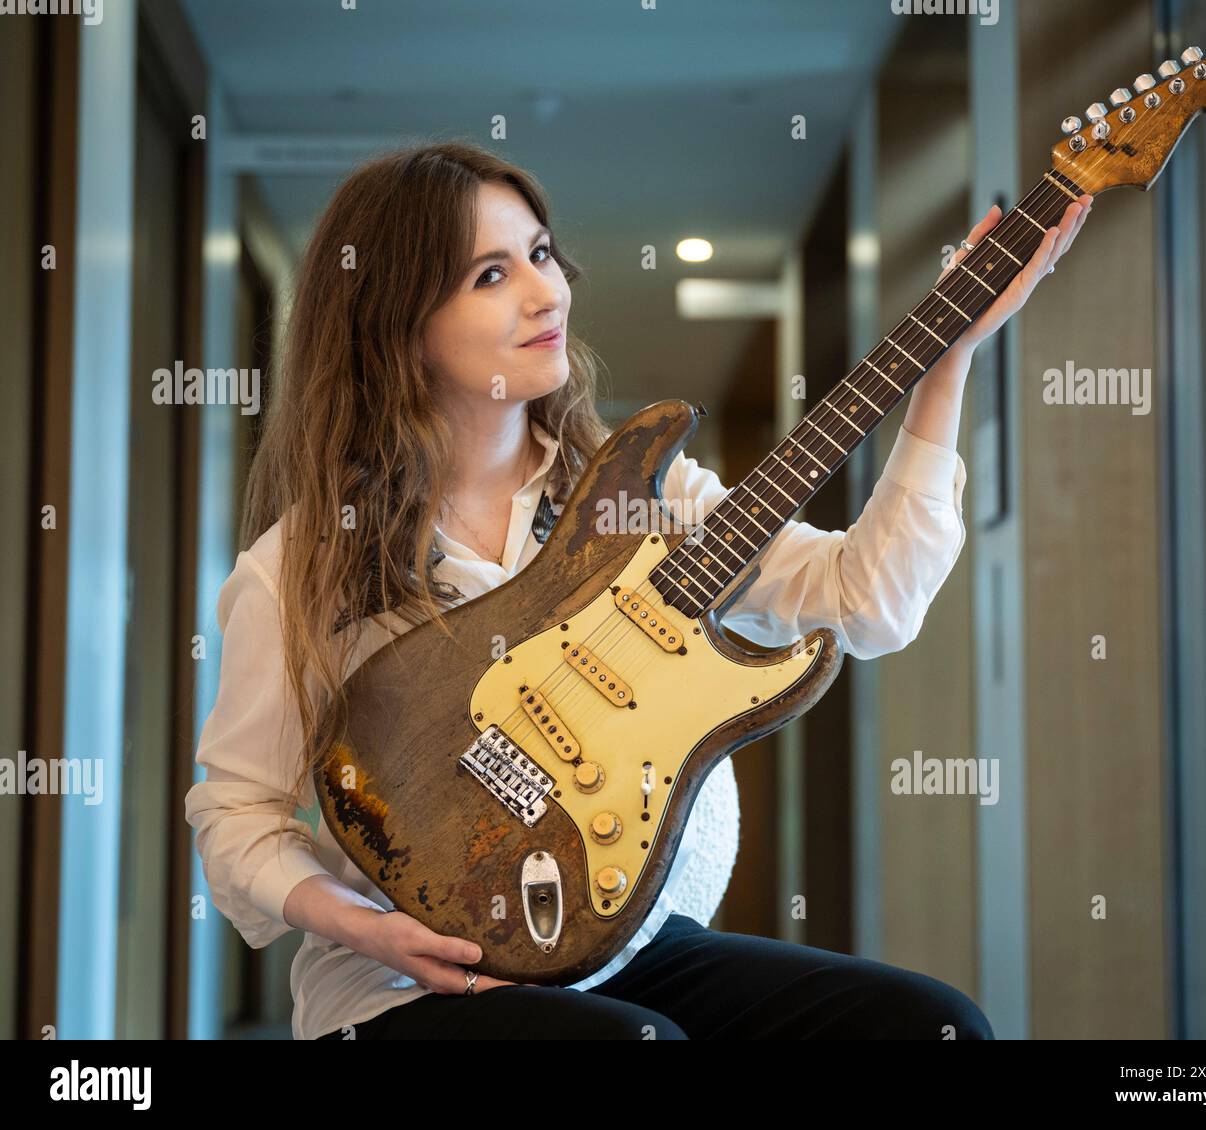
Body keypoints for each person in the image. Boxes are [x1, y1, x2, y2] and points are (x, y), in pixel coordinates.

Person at [185, 140, 1089, 1041]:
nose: (547, 294)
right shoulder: (302, 561)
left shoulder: (644, 495)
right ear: (396, 321)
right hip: (399, 985)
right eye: (490, 275)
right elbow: (236, 816)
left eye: (541, 255)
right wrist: (374, 929)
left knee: (932, 1024)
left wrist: (949, 362)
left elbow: (869, 597)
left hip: (636, 949)